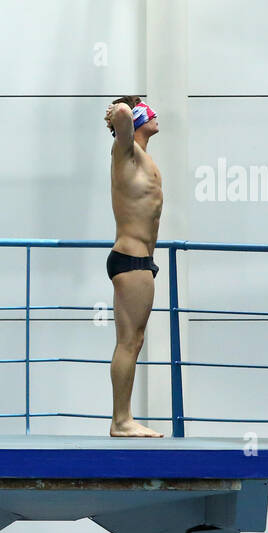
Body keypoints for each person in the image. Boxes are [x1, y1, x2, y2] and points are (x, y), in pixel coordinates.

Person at [103, 96, 163, 437]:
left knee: (134, 341)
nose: (155, 114)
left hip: (140, 262)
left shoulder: (142, 157)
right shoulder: (123, 152)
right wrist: (121, 110)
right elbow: (124, 112)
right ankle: (121, 421)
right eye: (148, 111)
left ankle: (123, 418)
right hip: (130, 260)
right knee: (128, 342)